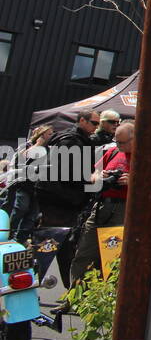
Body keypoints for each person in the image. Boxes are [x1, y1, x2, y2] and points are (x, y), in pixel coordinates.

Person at [66, 121, 134, 289]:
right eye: (116, 141)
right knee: (84, 252)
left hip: (124, 208)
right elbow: (93, 174)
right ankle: (75, 297)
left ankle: (107, 298)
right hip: (101, 206)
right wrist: (99, 176)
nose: (118, 145)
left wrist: (133, 181)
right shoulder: (112, 152)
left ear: (135, 139)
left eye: (122, 142)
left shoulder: (146, 158)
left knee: (112, 256)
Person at [35, 108, 99, 284]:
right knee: (54, 242)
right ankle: (35, 281)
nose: (96, 127)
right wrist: (91, 180)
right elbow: (69, 172)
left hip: (58, 198)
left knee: (58, 243)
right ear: (82, 121)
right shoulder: (71, 141)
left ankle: (65, 285)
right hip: (60, 199)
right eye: (94, 123)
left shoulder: (72, 139)